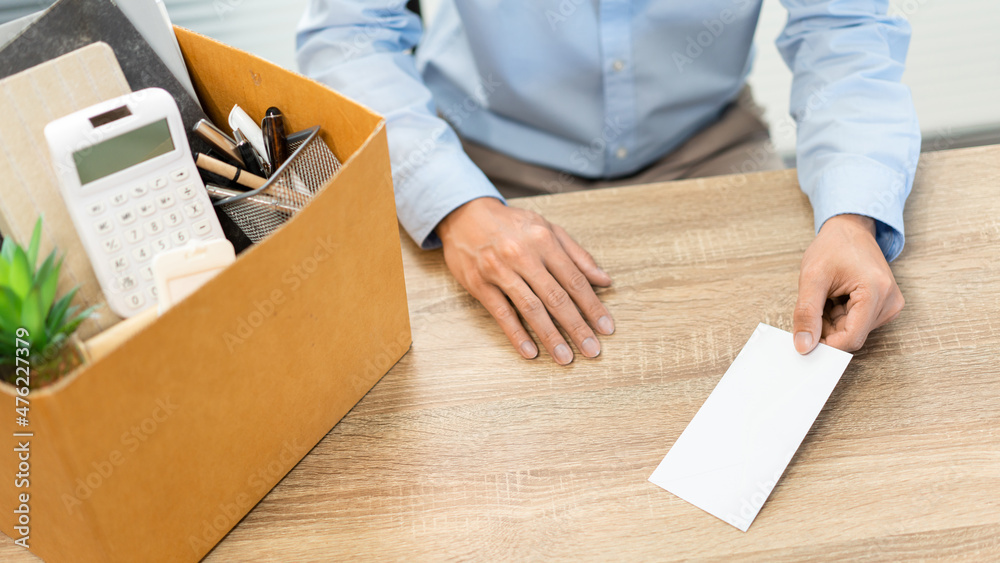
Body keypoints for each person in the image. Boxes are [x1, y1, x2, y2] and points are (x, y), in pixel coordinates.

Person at [297, 1, 918, 365]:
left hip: (707, 142)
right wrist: (454, 204)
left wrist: (853, 214)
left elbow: (843, 29)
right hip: (475, 161)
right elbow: (349, 37)